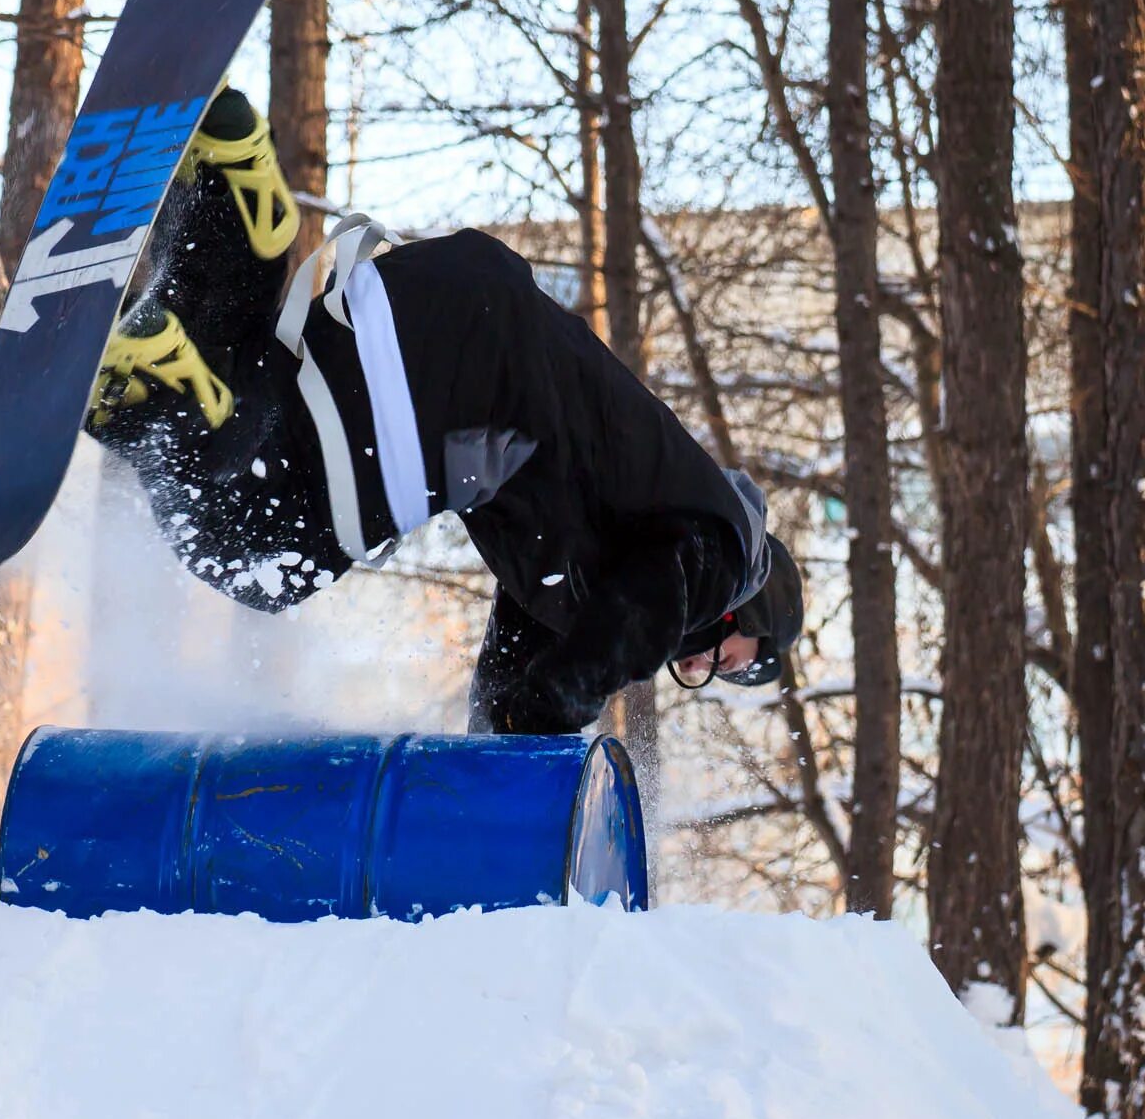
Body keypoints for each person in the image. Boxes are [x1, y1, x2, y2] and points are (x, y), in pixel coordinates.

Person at [87, 88, 805, 736]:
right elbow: (641, 616)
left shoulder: (608, 545)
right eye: (730, 662)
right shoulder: (720, 560)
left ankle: (226, 200)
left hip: (429, 304)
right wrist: (559, 707)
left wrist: (504, 736)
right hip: (457, 392)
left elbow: (515, 670)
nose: (701, 666)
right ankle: (156, 393)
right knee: (263, 551)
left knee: (255, 403)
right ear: (752, 614)